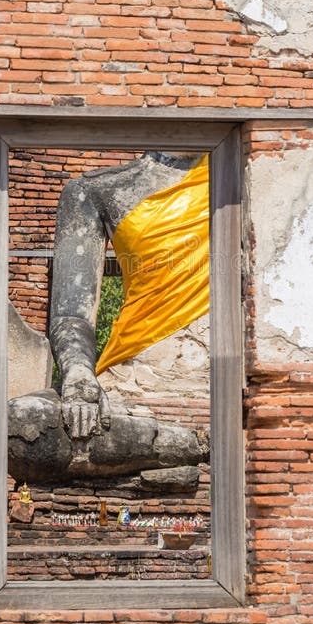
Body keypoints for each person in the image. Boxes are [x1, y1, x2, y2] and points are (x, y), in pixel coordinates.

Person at [49, 151, 209, 438]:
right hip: (138, 375)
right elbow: (72, 315)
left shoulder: (249, 177)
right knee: (27, 416)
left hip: (228, 377)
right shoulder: (96, 190)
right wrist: (78, 371)